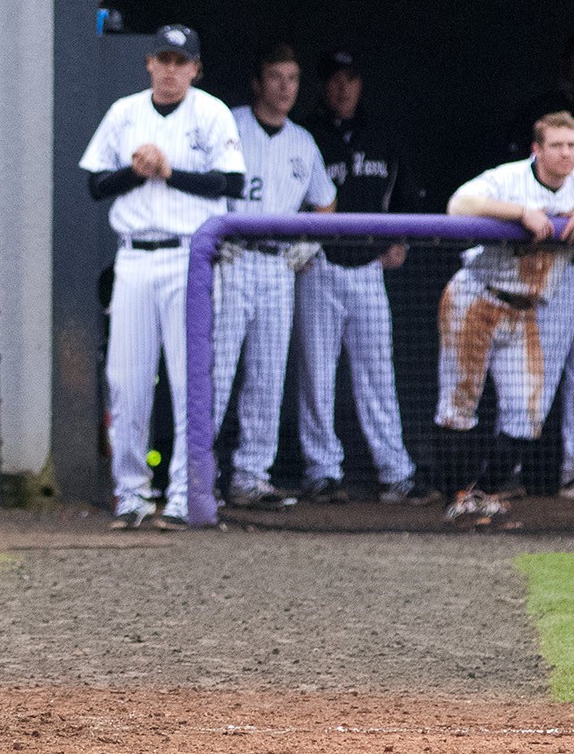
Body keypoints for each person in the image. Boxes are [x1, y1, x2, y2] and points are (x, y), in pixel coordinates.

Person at [78, 24, 244, 530]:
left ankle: (182, 495)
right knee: (126, 381)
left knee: (190, 380)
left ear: (195, 68)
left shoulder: (211, 112)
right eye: (163, 59)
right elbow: (94, 185)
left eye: (181, 61)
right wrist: (137, 170)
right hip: (133, 257)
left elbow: (230, 182)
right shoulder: (124, 113)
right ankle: (130, 494)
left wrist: (168, 171)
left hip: (188, 260)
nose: (171, 70)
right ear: (149, 62)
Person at [293, 49, 433, 505]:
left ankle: (395, 472)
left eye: (351, 78)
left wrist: (402, 242)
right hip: (320, 269)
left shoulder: (382, 135)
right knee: (317, 377)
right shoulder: (305, 135)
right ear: (321, 84)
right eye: (334, 78)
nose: (343, 87)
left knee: (378, 375)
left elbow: (410, 196)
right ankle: (322, 471)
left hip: (369, 270)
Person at [212, 43, 336, 510]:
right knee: (215, 373)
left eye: (293, 78)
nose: (285, 87)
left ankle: (250, 476)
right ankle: (197, 472)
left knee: (267, 375)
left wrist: (308, 244)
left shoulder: (303, 140)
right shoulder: (230, 124)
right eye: (276, 77)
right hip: (230, 259)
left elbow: (325, 202)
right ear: (257, 81)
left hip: (277, 267)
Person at [436, 112, 574, 527]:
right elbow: (458, 205)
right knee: (460, 403)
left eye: (572, 146)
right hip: (478, 297)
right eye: (557, 145)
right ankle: (458, 498)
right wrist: (519, 213)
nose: (566, 153)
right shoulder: (510, 178)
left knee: (527, 412)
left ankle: (487, 494)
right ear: (537, 149)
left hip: (525, 310)